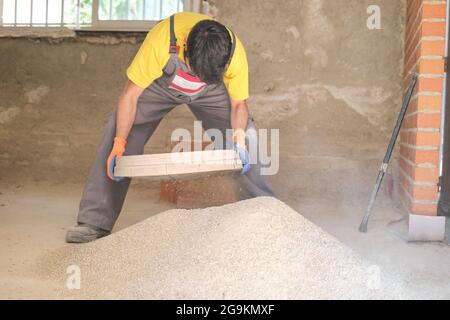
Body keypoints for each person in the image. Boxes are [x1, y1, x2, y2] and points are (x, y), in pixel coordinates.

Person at [66, 12, 274, 243]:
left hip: (212, 92)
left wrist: (238, 140)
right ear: (185, 46)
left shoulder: (234, 53)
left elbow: (238, 104)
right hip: (162, 84)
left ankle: (261, 214)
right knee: (118, 129)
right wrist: (119, 143)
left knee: (249, 136)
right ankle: (95, 222)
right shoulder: (161, 40)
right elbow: (130, 96)